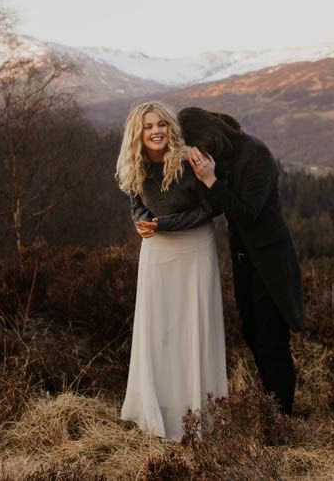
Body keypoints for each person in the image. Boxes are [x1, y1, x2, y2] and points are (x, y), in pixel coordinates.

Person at [177, 107, 305, 416]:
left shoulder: (255, 154)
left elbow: (248, 213)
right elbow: (216, 207)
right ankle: (274, 406)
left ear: (205, 135)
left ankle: (282, 416)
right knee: (252, 334)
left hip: (270, 259)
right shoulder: (220, 157)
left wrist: (211, 180)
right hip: (244, 257)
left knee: (272, 339)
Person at [115, 101, 227, 441]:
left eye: (162, 124)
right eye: (149, 126)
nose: (156, 131)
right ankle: (158, 412)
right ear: (138, 133)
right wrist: (141, 222)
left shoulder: (190, 160)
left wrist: (163, 224)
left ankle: (199, 413)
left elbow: (211, 209)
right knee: (159, 332)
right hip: (157, 253)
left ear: (171, 127)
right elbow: (136, 204)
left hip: (195, 250)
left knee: (193, 328)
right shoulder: (134, 164)